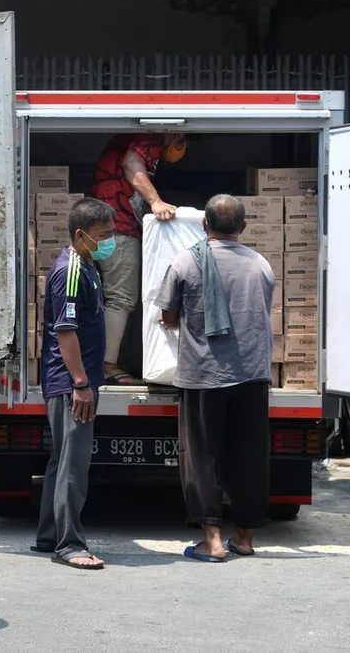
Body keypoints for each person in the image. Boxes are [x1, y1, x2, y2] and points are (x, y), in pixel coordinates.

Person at [154, 194, 275, 562]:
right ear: (243, 227)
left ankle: (213, 540)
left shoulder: (186, 261)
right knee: (249, 455)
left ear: (204, 225)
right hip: (252, 375)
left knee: (202, 455)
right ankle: (245, 537)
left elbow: (169, 316)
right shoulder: (261, 265)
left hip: (205, 375)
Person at [34, 197, 115, 570]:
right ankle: (69, 544)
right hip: (71, 384)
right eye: (104, 235)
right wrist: (81, 383)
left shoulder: (88, 264)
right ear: (80, 234)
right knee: (73, 463)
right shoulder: (70, 271)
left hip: (73, 381)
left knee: (60, 460)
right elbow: (65, 331)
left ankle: (49, 535)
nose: (110, 240)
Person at [90, 132, 187, 385]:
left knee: (119, 298)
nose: (178, 150)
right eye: (180, 143)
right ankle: (106, 366)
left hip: (113, 226)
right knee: (121, 298)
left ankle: (109, 361)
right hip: (117, 229)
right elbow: (132, 163)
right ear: (177, 133)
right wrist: (156, 202)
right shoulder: (152, 135)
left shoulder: (131, 141)